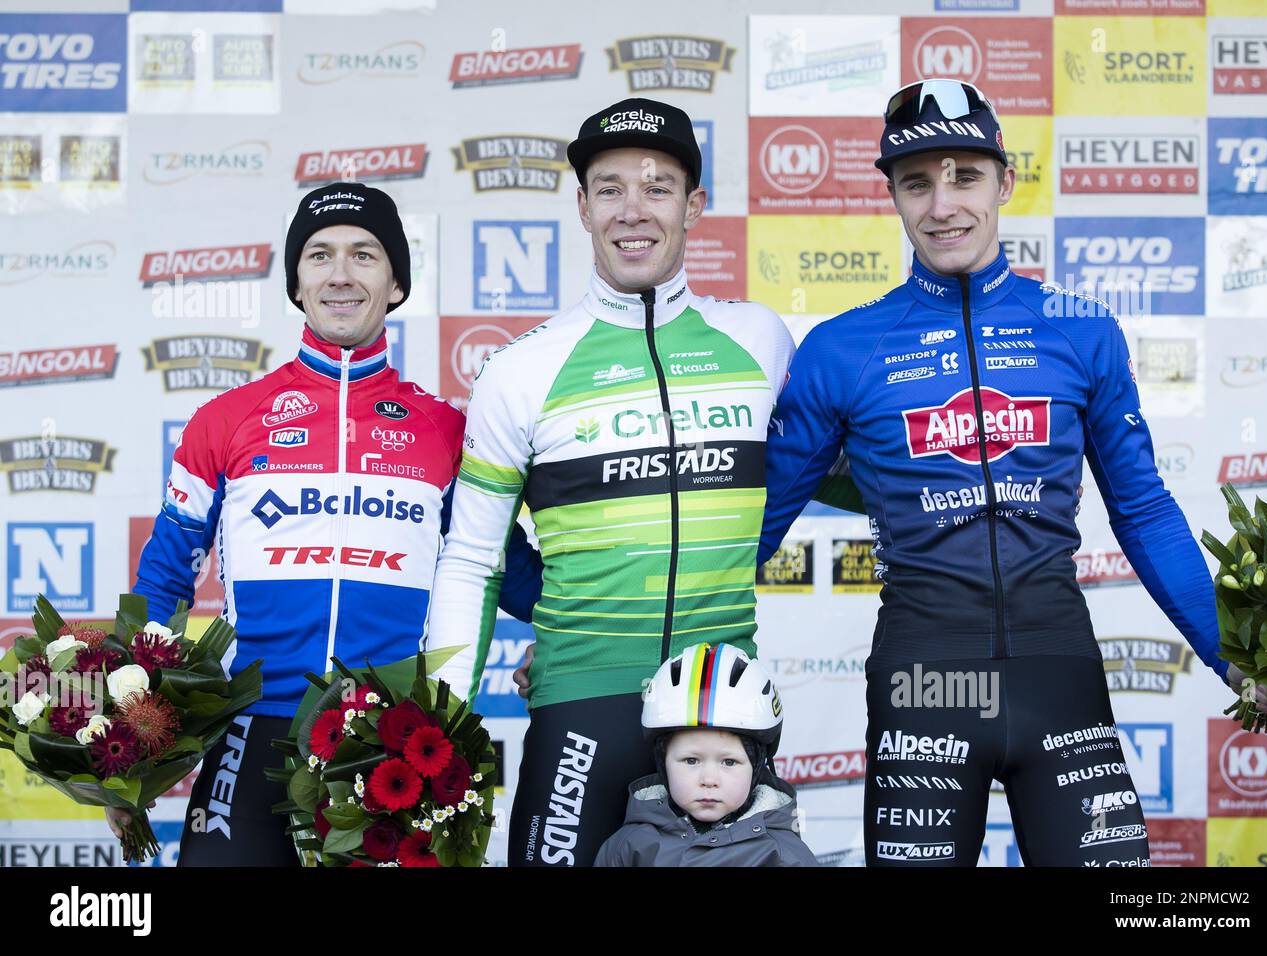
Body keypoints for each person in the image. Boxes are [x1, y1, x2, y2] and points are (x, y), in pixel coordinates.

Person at [757, 79, 1267, 867]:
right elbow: (753, 523)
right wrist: (616, 641)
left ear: (1005, 181)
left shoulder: (1081, 329)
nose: (943, 206)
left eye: (965, 176)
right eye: (917, 183)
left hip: (1057, 672)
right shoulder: (842, 348)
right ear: (894, 196)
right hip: (924, 682)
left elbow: (1142, 511)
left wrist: (1238, 657)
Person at [112, 182, 541, 866]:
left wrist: (567, 643)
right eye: (319, 255)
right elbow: (165, 574)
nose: (341, 274)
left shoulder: (446, 431)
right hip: (254, 727)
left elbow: (509, 572)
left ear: (396, 282)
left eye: (364, 254)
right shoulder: (226, 420)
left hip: (391, 743)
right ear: (297, 283)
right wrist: (125, 723)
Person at [427, 97, 796, 867]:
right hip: (581, 702)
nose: (634, 210)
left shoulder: (760, 340)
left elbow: (835, 471)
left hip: (719, 711)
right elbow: (472, 558)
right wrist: (446, 712)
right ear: (583, 206)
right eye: (611, 187)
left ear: (694, 206)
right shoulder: (521, 369)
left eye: (658, 188)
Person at [595, 643, 818, 867]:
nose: (709, 780)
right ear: (662, 763)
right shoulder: (630, 845)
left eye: (729, 762)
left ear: (757, 766)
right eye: (691, 760)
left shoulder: (782, 856)